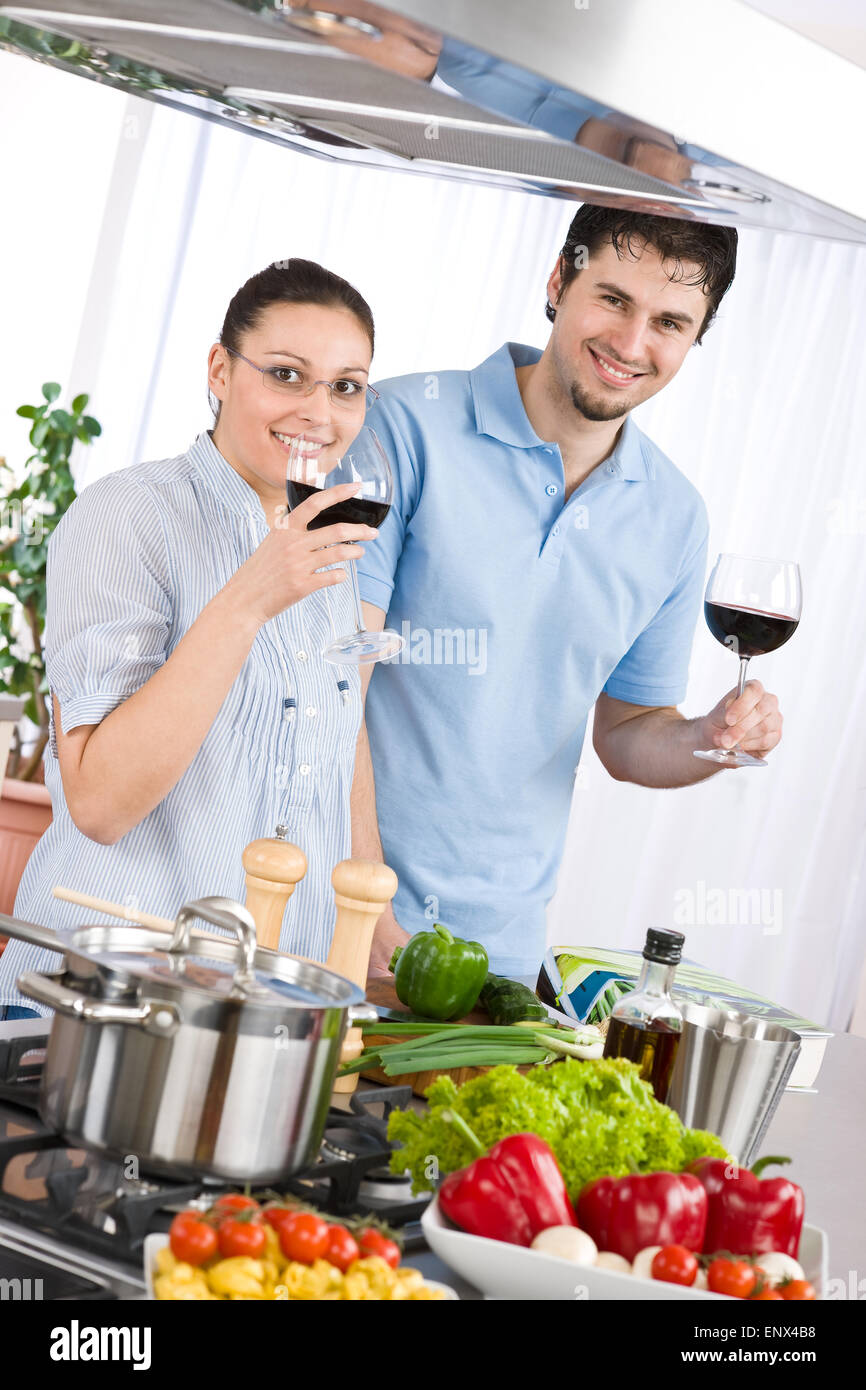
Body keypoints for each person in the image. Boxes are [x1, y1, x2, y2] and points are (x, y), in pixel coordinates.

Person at [353, 206, 783, 978]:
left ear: (694, 340)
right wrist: (367, 904)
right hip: (337, 911)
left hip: (501, 953)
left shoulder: (675, 517)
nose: (631, 344)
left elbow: (627, 733)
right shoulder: (402, 425)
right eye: (614, 300)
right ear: (559, 280)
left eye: (670, 323)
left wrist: (710, 737)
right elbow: (329, 684)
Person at [0, 259, 382, 1018]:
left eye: (346, 386)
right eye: (286, 374)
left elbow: (339, 747)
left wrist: (372, 943)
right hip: (96, 1011)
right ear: (218, 368)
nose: (319, 411)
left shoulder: (326, 550)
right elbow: (101, 801)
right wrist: (248, 600)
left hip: (260, 1017)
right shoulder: (128, 516)